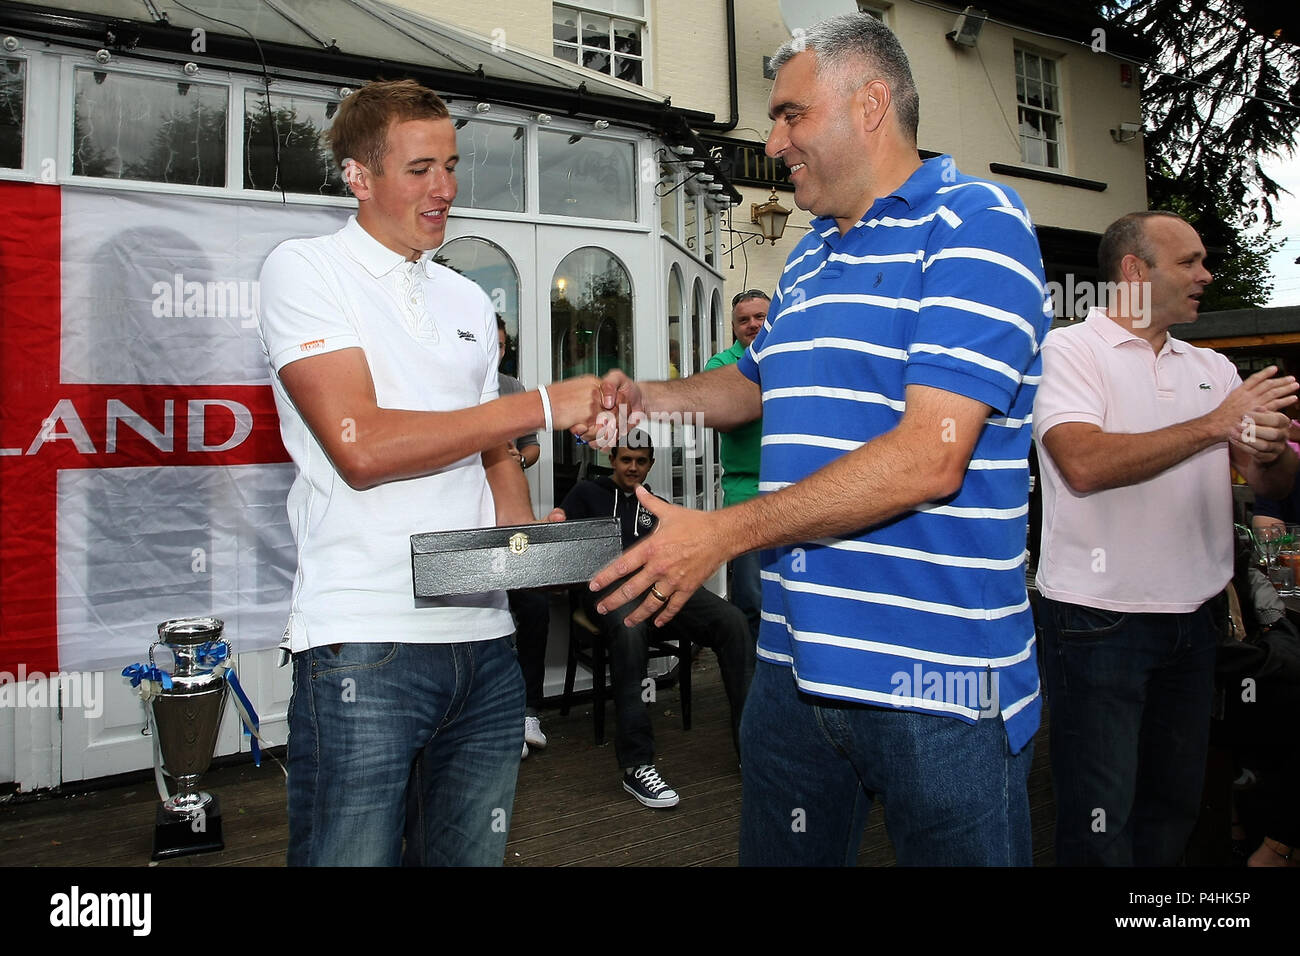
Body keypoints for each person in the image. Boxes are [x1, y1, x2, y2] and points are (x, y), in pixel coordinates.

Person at [580, 12, 1051, 864]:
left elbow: (931, 456)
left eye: (791, 114)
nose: (773, 140)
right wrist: (642, 400)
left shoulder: (977, 222)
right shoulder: (806, 258)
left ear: (871, 105)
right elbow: (750, 386)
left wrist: (722, 532)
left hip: (940, 683)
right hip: (793, 669)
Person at [257, 79, 598, 866]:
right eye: (419, 169)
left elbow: (493, 447)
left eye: (451, 165)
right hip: (365, 642)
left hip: (485, 644)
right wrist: (540, 405)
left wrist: (526, 541)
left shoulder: (468, 298)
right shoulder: (305, 269)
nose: (444, 188)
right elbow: (361, 447)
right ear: (358, 176)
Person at [1033, 210, 1298, 866]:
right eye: (1189, 262)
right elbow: (1083, 463)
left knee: (1174, 810)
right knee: (1099, 822)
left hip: (1197, 621)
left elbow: (1271, 479)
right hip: (1098, 621)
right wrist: (1216, 424)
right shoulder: (1068, 351)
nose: (1205, 274)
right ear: (1134, 270)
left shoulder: (1213, 366)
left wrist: (1270, 450)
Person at [556, 432, 752, 809]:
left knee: (733, 622)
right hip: (607, 592)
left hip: (659, 590)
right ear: (612, 459)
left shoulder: (657, 506)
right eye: (626, 459)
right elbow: (563, 540)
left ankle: (751, 748)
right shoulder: (586, 493)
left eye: (641, 461)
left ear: (651, 464)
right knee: (630, 629)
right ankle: (637, 765)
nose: (633, 467)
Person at [496, 316, 550, 757]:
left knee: (532, 607)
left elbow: (532, 444)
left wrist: (518, 460)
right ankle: (495, 719)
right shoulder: (444, 384)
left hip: (512, 518)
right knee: (485, 614)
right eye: (486, 344)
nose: (493, 353)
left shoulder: (513, 387)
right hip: (464, 523)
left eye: (500, 345)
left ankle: (528, 711)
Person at [704, 290, 768, 641]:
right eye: (744, 320)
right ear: (733, 327)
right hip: (746, 492)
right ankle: (750, 670)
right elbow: (725, 416)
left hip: (797, 489)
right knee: (751, 597)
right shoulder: (720, 365)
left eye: (760, 317)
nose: (753, 325)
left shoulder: (791, 354)